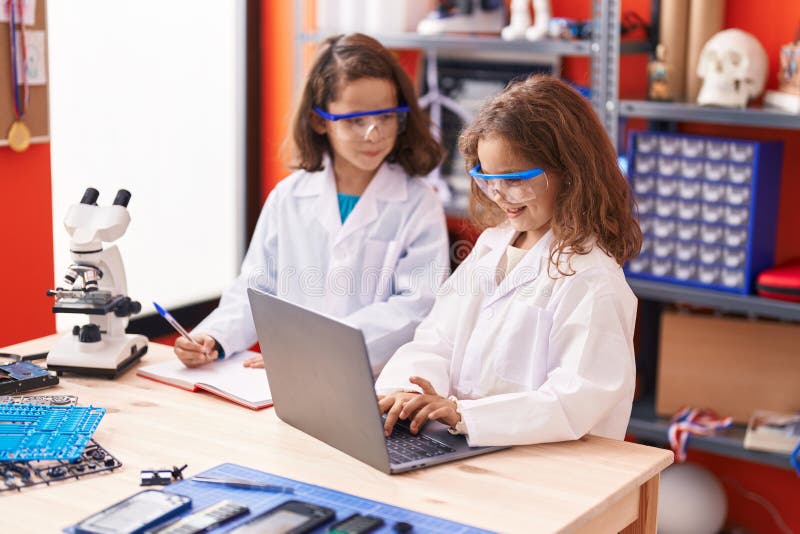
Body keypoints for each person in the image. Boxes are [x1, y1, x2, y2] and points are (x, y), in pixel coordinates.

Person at [376, 75, 642, 446]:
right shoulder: (493, 244)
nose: (499, 194)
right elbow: (437, 339)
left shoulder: (592, 277)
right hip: (470, 449)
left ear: (570, 173)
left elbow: (574, 401)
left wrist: (465, 415)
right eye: (487, 178)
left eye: (515, 180)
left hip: (546, 466)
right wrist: (408, 390)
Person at [174, 33, 449, 375]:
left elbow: (416, 307)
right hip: (292, 374)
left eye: (387, 116)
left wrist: (319, 347)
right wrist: (214, 336)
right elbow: (256, 288)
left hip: (374, 380)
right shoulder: (289, 197)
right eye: (356, 121)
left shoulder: (419, 203)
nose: (375, 134)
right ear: (319, 121)